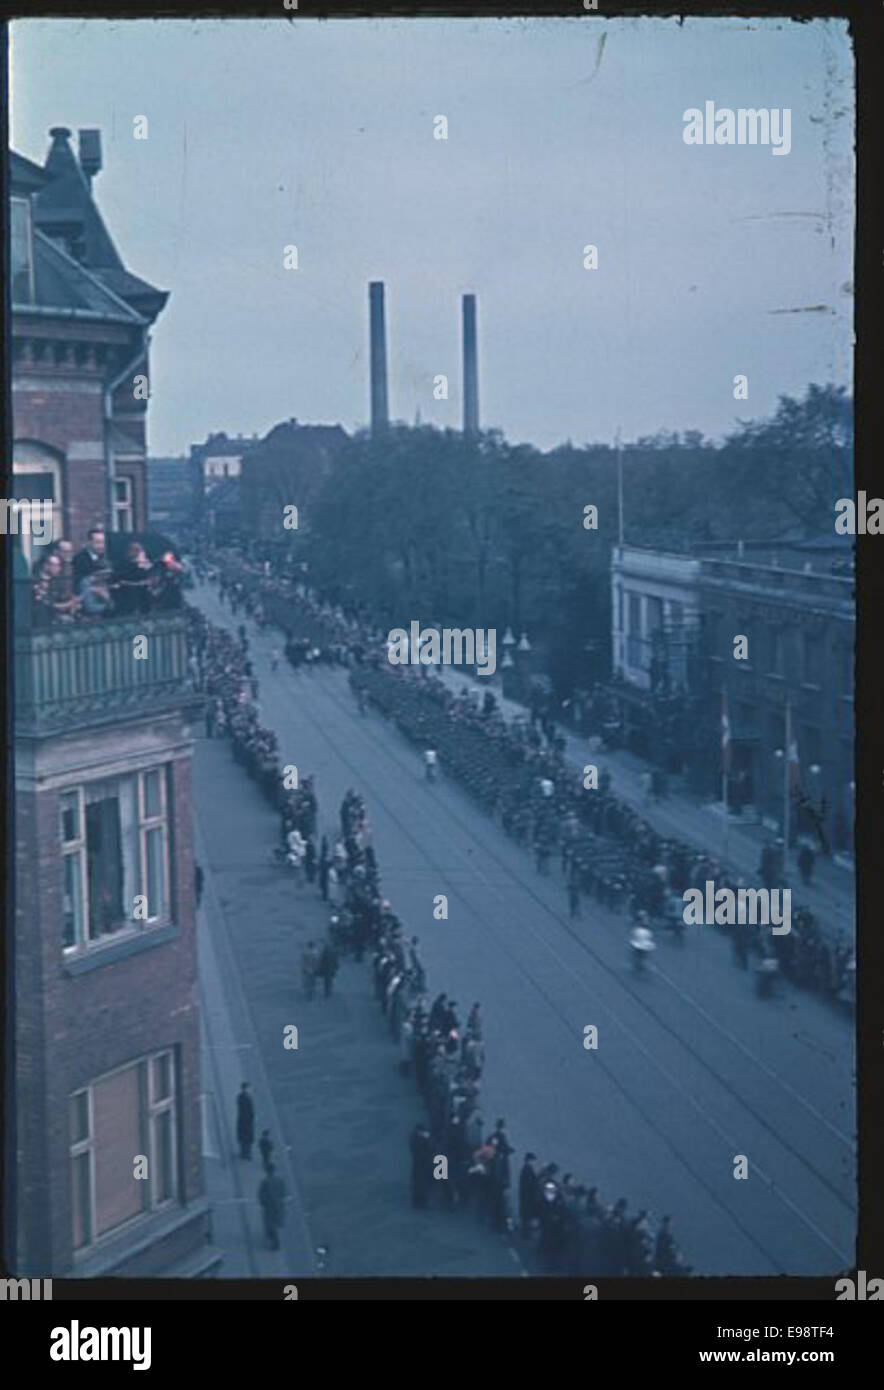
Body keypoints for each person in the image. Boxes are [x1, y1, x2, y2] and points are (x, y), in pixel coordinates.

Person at [257, 1162, 287, 1250]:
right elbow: (284, 1192)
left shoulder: (265, 1182)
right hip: (279, 1206)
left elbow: (261, 1194)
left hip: (269, 1207)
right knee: (277, 1223)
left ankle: (275, 1243)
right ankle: (275, 1241)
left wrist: (263, 1203)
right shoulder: (280, 1180)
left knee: (270, 1225)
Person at [409, 1121, 433, 1209]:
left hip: (418, 1163)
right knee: (421, 1183)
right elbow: (425, 1148)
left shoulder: (414, 1137)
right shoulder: (417, 1139)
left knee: (418, 1183)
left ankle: (417, 1201)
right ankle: (421, 1202)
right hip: (421, 1163)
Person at [519, 1152, 540, 1235]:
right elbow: (529, 1185)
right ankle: (525, 1233)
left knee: (526, 1216)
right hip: (528, 1198)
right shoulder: (528, 1170)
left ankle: (525, 1232)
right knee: (527, 1216)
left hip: (526, 1198)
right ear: (529, 1160)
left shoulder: (526, 1170)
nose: (534, 1162)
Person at [235, 1081, 255, 1161]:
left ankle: (246, 1152)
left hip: (246, 1119)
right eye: (247, 1088)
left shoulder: (245, 1097)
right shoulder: (242, 1097)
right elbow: (245, 1109)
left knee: (247, 1137)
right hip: (244, 1119)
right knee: (245, 1136)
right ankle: (245, 1153)